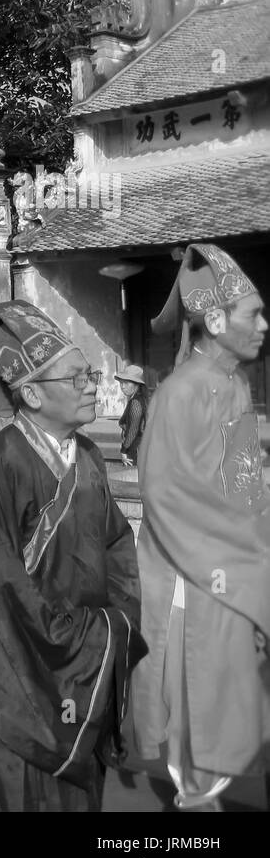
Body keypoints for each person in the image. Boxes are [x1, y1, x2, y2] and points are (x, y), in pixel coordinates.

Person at [0, 300, 145, 812]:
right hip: (22, 671)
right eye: (76, 377)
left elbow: (118, 546)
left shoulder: (87, 458)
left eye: (90, 374)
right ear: (31, 393)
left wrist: (114, 625)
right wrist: (72, 640)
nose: (91, 386)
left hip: (84, 665)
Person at [133, 243, 270, 811]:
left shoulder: (235, 386)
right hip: (196, 578)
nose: (264, 325)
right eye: (253, 314)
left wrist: (259, 542)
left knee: (232, 703)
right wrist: (248, 561)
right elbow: (166, 497)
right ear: (215, 320)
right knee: (198, 710)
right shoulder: (178, 392)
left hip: (232, 568)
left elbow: (243, 487)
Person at [115, 364, 148, 467]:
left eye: (126, 383)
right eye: (121, 383)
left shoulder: (135, 402)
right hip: (140, 446)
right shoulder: (140, 399)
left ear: (136, 384)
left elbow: (133, 430)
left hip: (136, 447)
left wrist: (124, 450)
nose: (122, 386)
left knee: (133, 479)